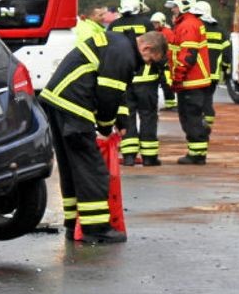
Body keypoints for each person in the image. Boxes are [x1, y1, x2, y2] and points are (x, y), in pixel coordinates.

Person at [39, 29, 166, 243]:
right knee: (92, 169)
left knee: (73, 168)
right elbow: (108, 97)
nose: (148, 66)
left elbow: (119, 92)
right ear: (146, 48)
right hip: (73, 107)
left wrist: (123, 121)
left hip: (58, 103)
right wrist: (106, 128)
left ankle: (73, 225)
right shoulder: (123, 54)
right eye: (151, 60)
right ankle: (95, 229)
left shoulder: (119, 44)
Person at [108, 0, 162, 166]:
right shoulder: (146, 24)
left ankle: (129, 156)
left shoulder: (114, 25)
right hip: (146, 78)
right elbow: (155, 48)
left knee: (127, 115)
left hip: (124, 79)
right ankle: (149, 157)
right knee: (148, 115)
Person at [165, 0, 211, 164]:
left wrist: (177, 77)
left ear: (183, 5)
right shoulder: (186, 23)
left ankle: (197, 154)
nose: (172, 10)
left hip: (191, 81)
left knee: (190, 117)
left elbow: (188, 55)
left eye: (174, 6)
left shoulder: (188, 25)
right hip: (191, 80)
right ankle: (196, 150)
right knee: (189, 117)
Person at [190, 0, 231, 132]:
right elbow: (227, 53)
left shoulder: (195, 29)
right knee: (208, 100)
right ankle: (207, 126)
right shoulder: (220, 31)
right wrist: (225, 68)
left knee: (195, 101)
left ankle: (198, 126)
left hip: (196, 74)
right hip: (213, 75)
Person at [150, 11, 177, 111]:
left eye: (156, 23)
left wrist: (167, 61)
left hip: (165, 62)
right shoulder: (154, 33)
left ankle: (171, 104)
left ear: (162, 22)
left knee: (167, 83)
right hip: (156, 61)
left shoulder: (168, 32)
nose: (154, 25)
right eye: (153, 23)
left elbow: (171, 48)